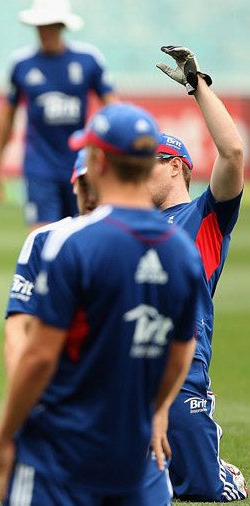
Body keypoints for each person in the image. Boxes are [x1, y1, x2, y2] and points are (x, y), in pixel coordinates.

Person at [0, 103, 202, 504]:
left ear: (99, 161)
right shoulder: (182, 251)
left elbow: (38, 356)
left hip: (60, 453)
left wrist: (6, 432)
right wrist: (151, 412)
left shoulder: (72, 243)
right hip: (131, 454)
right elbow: (181, 353)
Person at [149, 45, 248, 501]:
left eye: (144, 162)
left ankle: (220, 465)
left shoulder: (204, 218)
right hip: (125, 375)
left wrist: (198, 87)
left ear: (175, 166)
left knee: (202, 489)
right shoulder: (125, 225)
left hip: (183, 372)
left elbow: (231, 152)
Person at [0, 0, 116, 230]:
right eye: (40, 25)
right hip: (40, 166)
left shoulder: (88, 60)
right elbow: (6, 117)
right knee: (42, 238)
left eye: (50, 25)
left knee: (81, 235)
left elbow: (113, 108)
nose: (44, 31)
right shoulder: (22, 64)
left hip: (80, 165)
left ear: (62, 26)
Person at [3, 148, 96, 374]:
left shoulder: (139, 241)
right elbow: (17, 327)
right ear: (74, 186)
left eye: (98, 185)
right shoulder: (43, 240)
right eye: (85, 185)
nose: (92, 196)